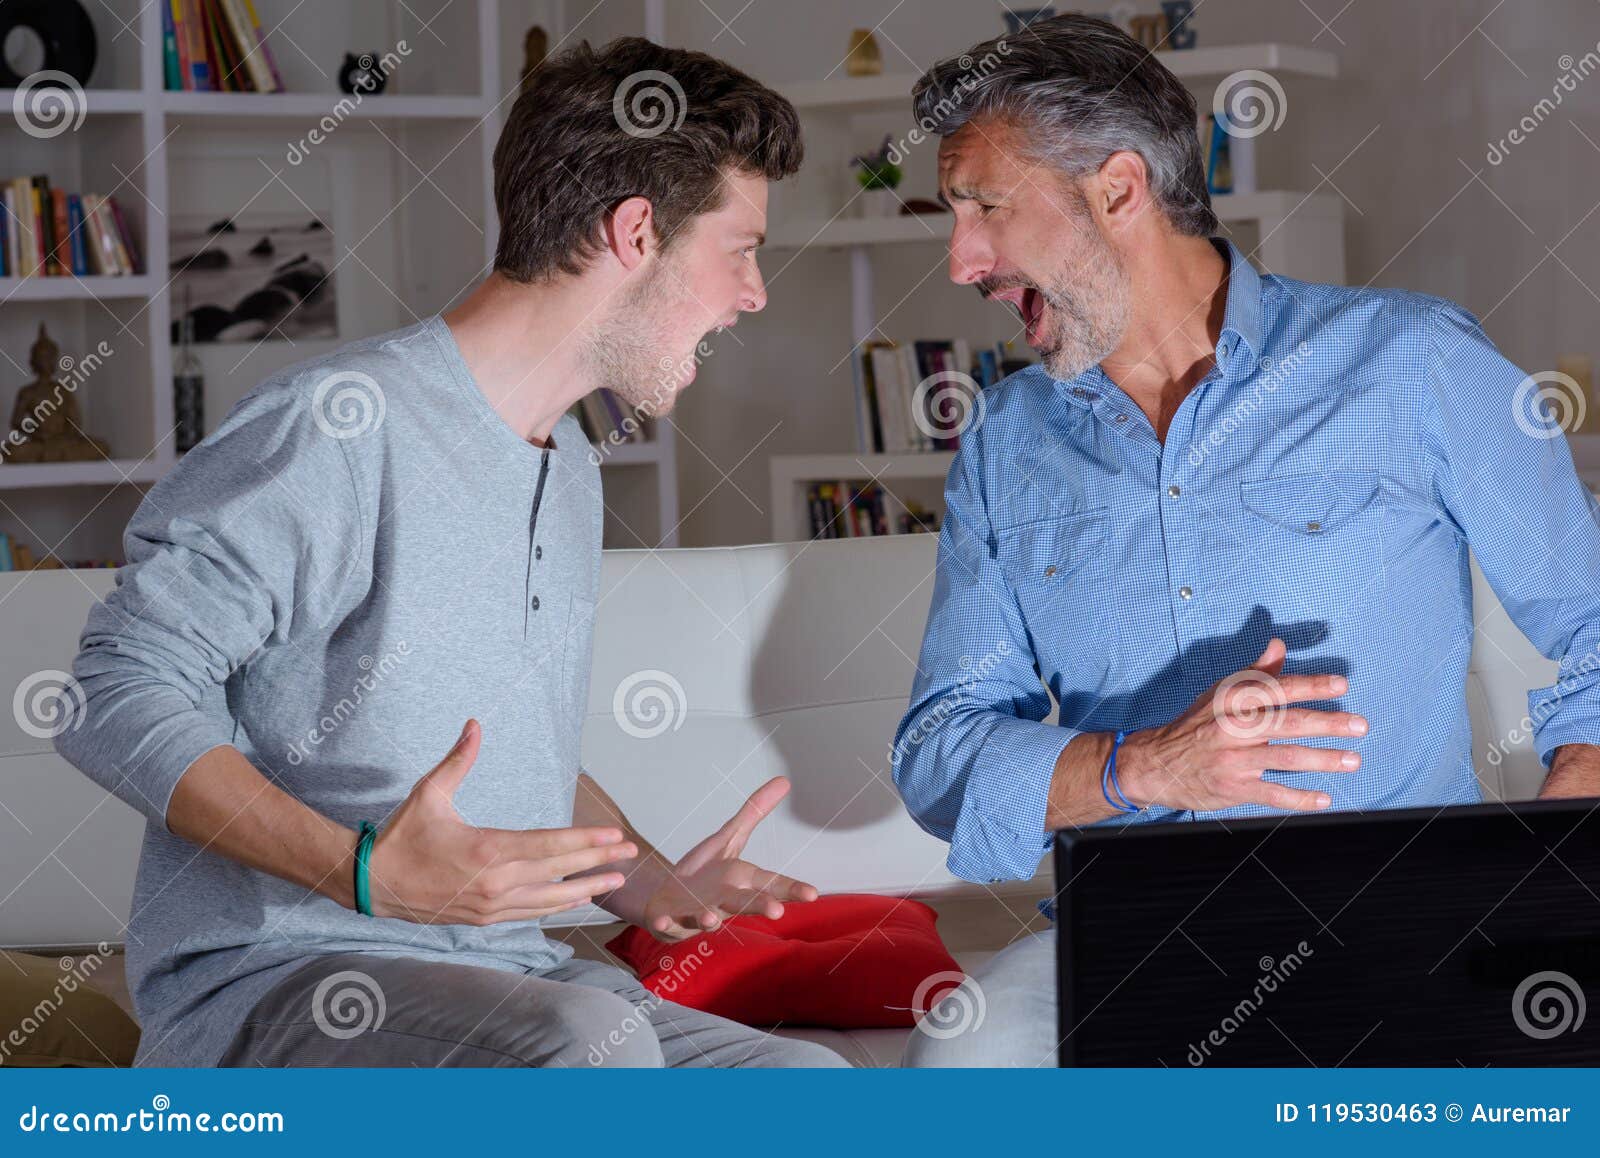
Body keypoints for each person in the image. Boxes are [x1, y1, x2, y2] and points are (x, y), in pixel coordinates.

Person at [56, 36, 845, 1069]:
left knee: (807, 1082)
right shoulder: (341, 427)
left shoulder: (567, 460)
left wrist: (648, 883)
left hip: (515, 977)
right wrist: (365, 873)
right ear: (636, 232)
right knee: (592, 1047)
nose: (754, 293)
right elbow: (112, 689)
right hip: (280, 990)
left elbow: (497, 739)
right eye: (740, 248)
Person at [892, 14, 1600, 1067]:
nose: (960, 262)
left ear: (1118, 190)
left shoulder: (1411, 363)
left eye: (984, 209)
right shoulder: (1005, 445)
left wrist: (1529, 881)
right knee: (961, 1060)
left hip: (1403, 920)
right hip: (1130, 936)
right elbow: (941, 751)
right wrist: (1144, 770)